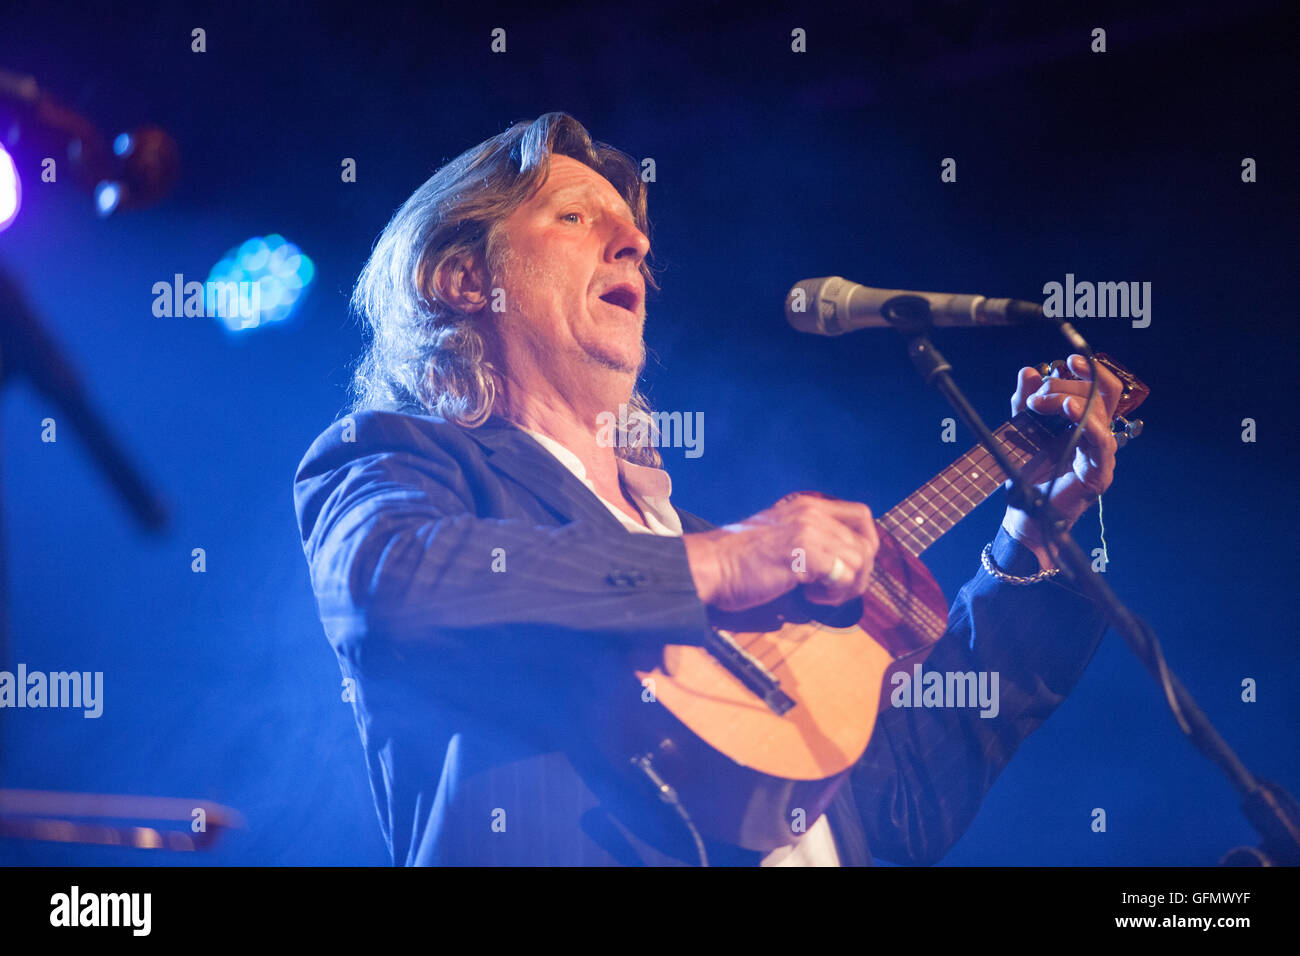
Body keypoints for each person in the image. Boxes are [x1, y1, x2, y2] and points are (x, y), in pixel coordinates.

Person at [293, 112, 1122, 866]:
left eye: (635, 231)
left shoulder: (721, 576)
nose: (634, 245)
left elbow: (901, 810)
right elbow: (388, 584)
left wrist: (1035, 533)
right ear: (463, 281)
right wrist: (719, 565)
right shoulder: (402, 458)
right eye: (577, 217)